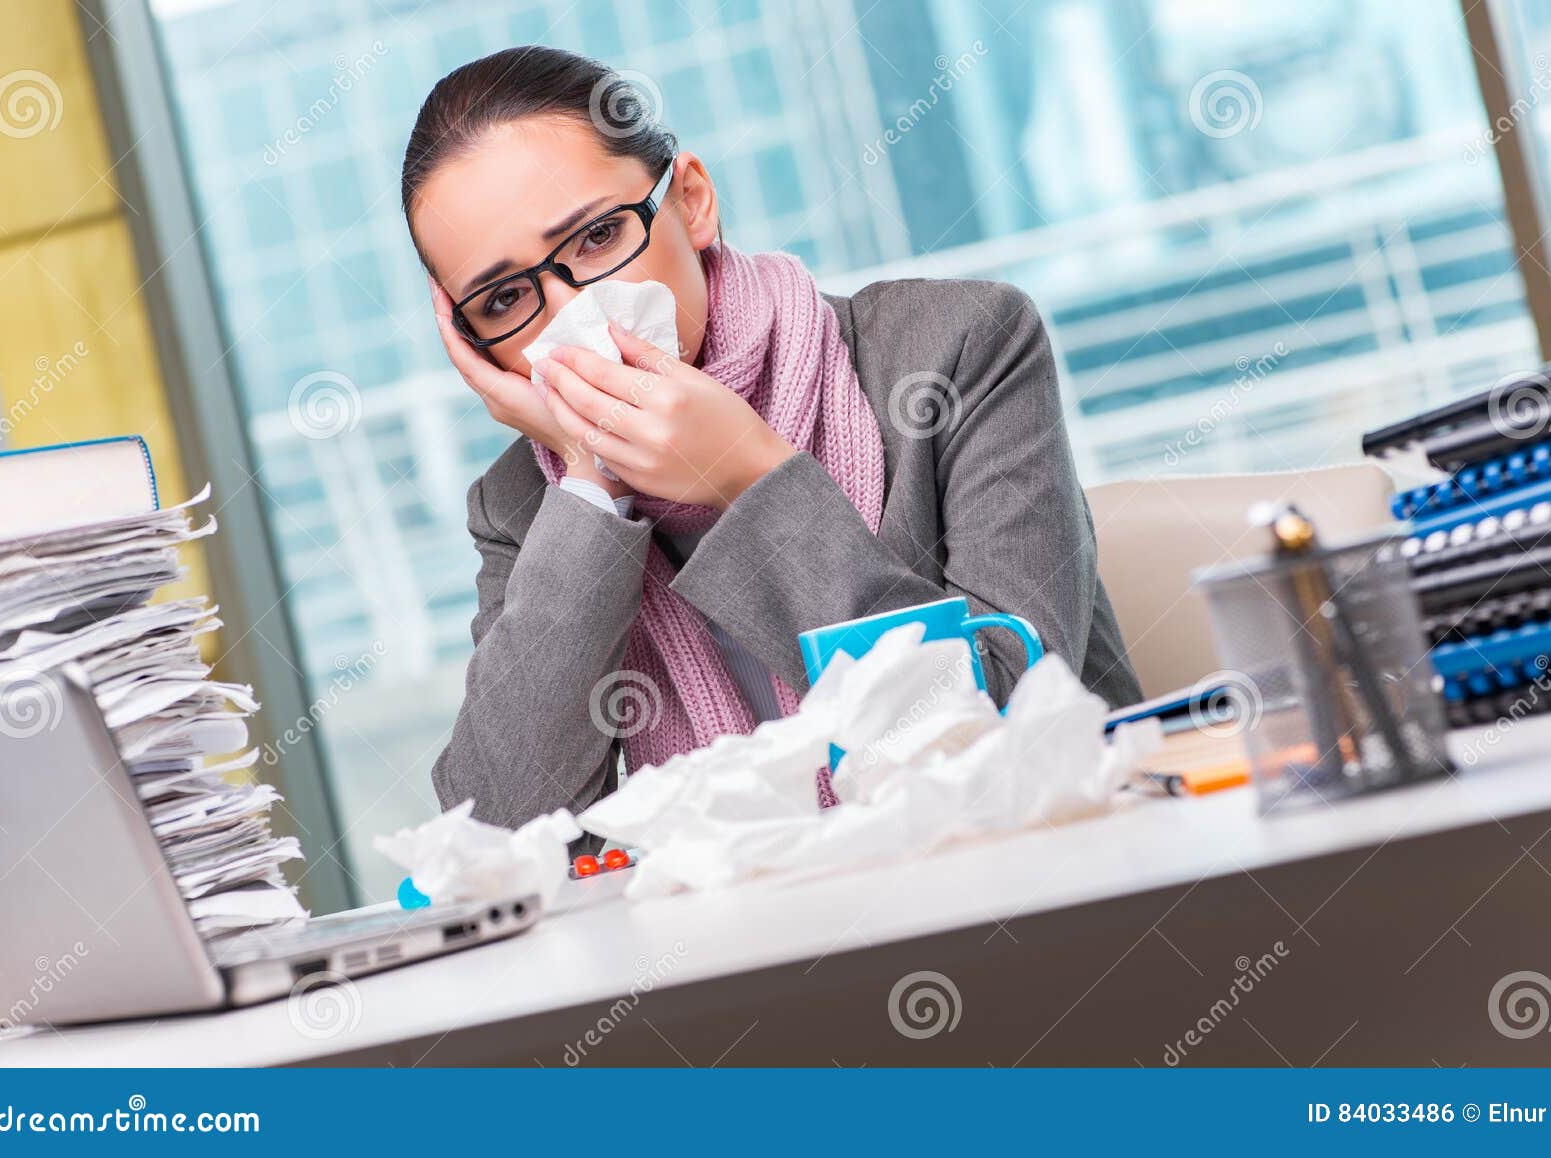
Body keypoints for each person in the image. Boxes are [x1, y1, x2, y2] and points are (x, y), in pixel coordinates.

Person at [402, 46, 1142, 831]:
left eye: (595, 238)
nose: (573, 313)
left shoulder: (957, 348)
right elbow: (496, 831)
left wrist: (746, 476)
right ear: (474, 345)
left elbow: (1015, 727)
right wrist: (592, 473)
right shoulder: (527, 503)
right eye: (506, 297)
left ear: (690, 202)